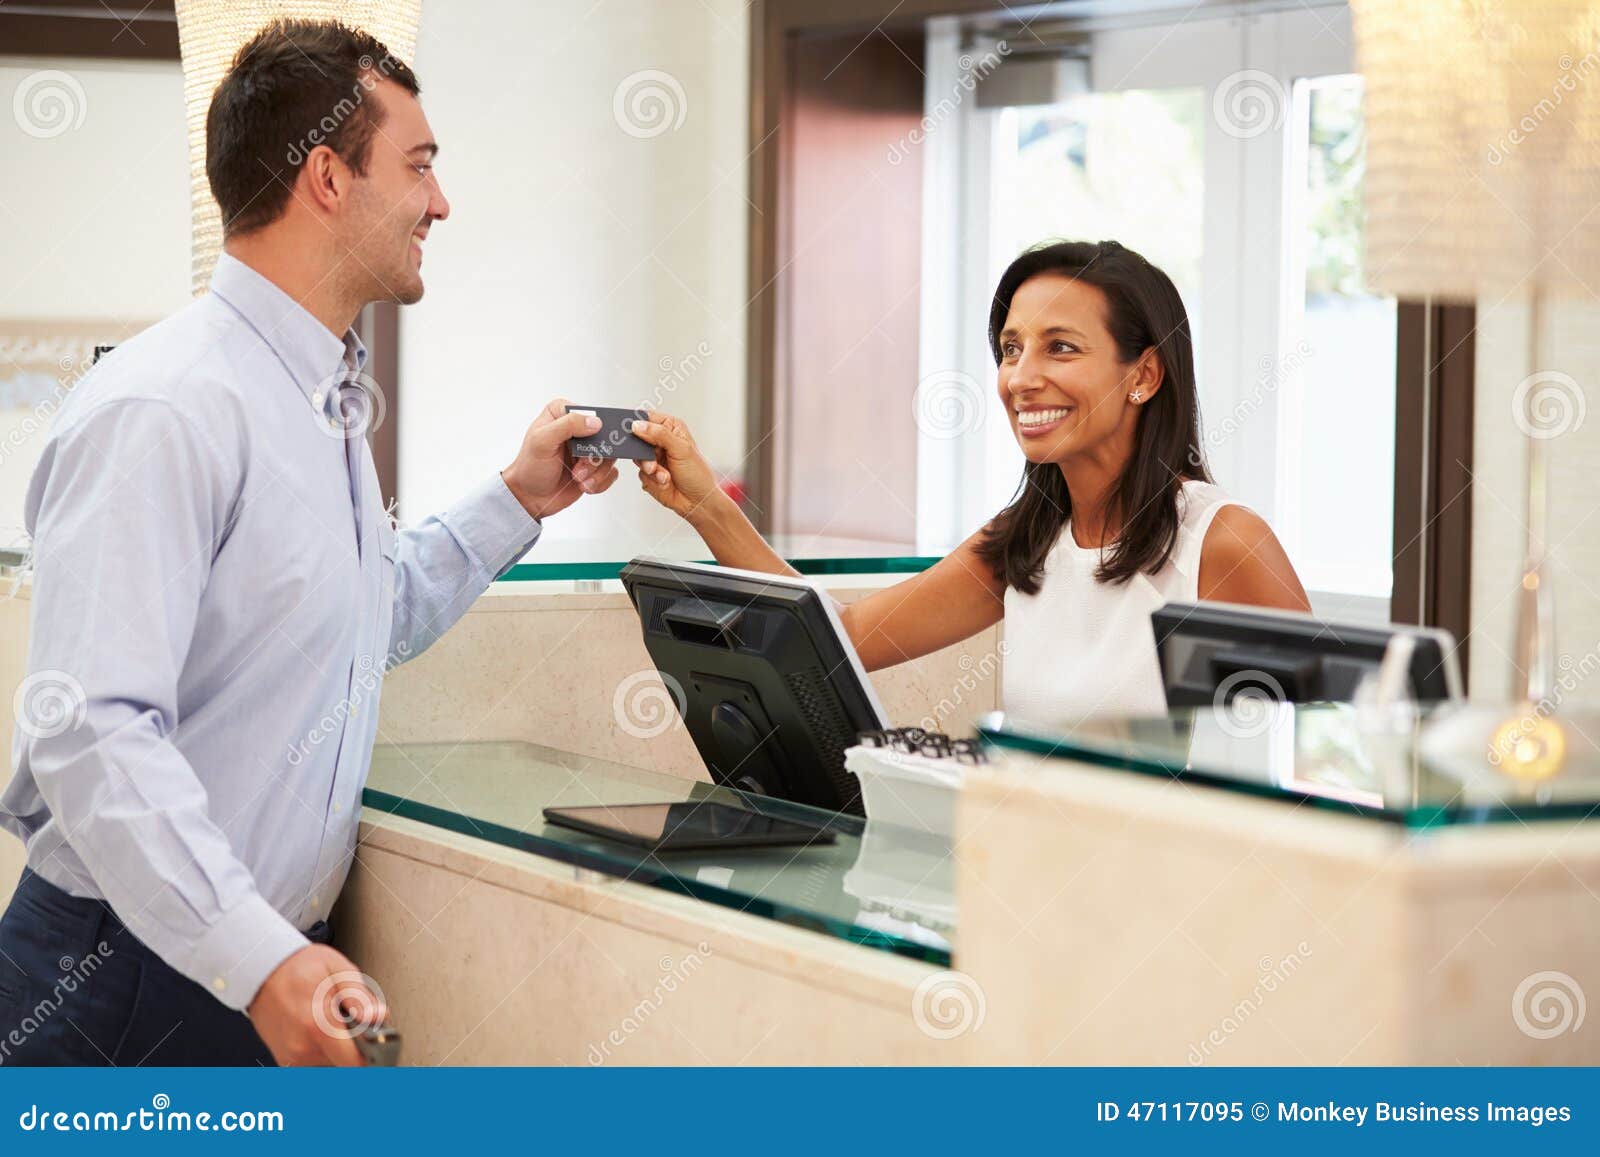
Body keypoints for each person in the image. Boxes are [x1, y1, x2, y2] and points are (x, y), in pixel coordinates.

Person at [0, 19, 619, 1066]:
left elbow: (356, 614)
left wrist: (516, 498)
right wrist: (261, 958)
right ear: (327, 177)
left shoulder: (320, 395)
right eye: (419, 166)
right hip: (121, 980)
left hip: (247, 963)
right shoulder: (165, 404)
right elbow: (90, 729)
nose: (441, 201)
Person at [629, 239, 1310, 720]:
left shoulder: (1221, 543)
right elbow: (842, 639)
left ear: (1145, 375)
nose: (1020, 377)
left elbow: (1320, 758)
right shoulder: (1025, 541)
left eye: (1060, 347)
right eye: (1012, 348)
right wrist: (706, 507)